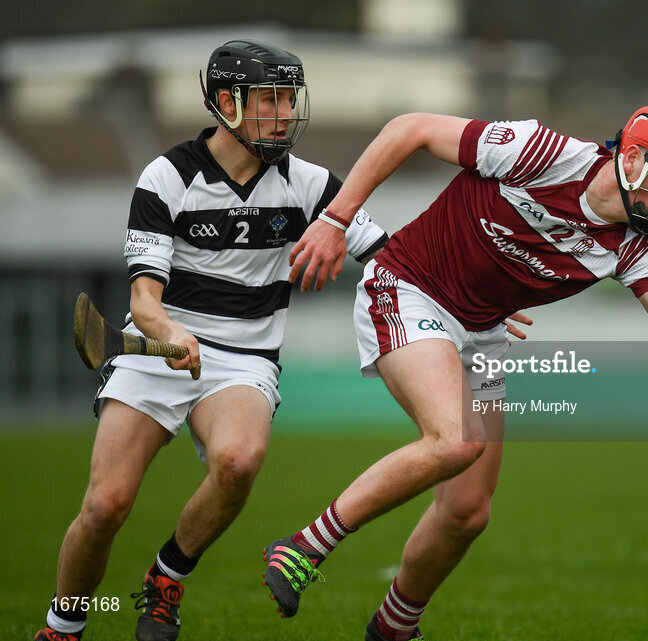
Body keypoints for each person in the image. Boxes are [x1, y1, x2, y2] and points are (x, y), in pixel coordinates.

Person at [261, 106, 648, 640]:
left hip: (482, 333)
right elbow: (409, 129)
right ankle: (305, 546)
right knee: (455, 441)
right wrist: (335, 220)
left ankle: (394, 627)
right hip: (408, 286)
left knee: (467, 513)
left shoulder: (635, 248)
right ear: (632, 159)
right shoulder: (540, 153)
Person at [33, 40, 392, 641]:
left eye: (289, 98)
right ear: (227, 103)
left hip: (244, 359)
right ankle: (63, 625)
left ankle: (166, 577)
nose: (285, 113)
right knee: (104, 507)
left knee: (239, 460)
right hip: (157, 350)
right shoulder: (168, 177)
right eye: (270, 100)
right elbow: (145, 301)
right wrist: (172, 332)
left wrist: (465, 300)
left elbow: (390, 256)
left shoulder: (308, 184)